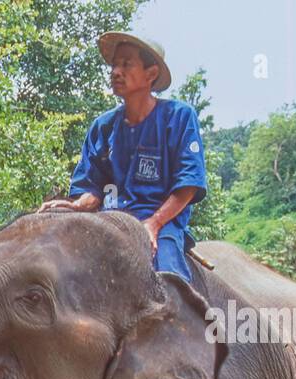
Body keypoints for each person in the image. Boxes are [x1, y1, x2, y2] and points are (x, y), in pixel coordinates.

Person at [41, 33, 207, 281]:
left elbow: (188, 184)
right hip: (110, 221)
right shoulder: (103, 126)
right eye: (114, 65)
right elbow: (94, 188)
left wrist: (153, 224)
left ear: (151, 74)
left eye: (126, 64)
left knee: (170, 282)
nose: (116, 71)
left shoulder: (179, 117)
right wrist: (76, 206)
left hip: (162, 225)